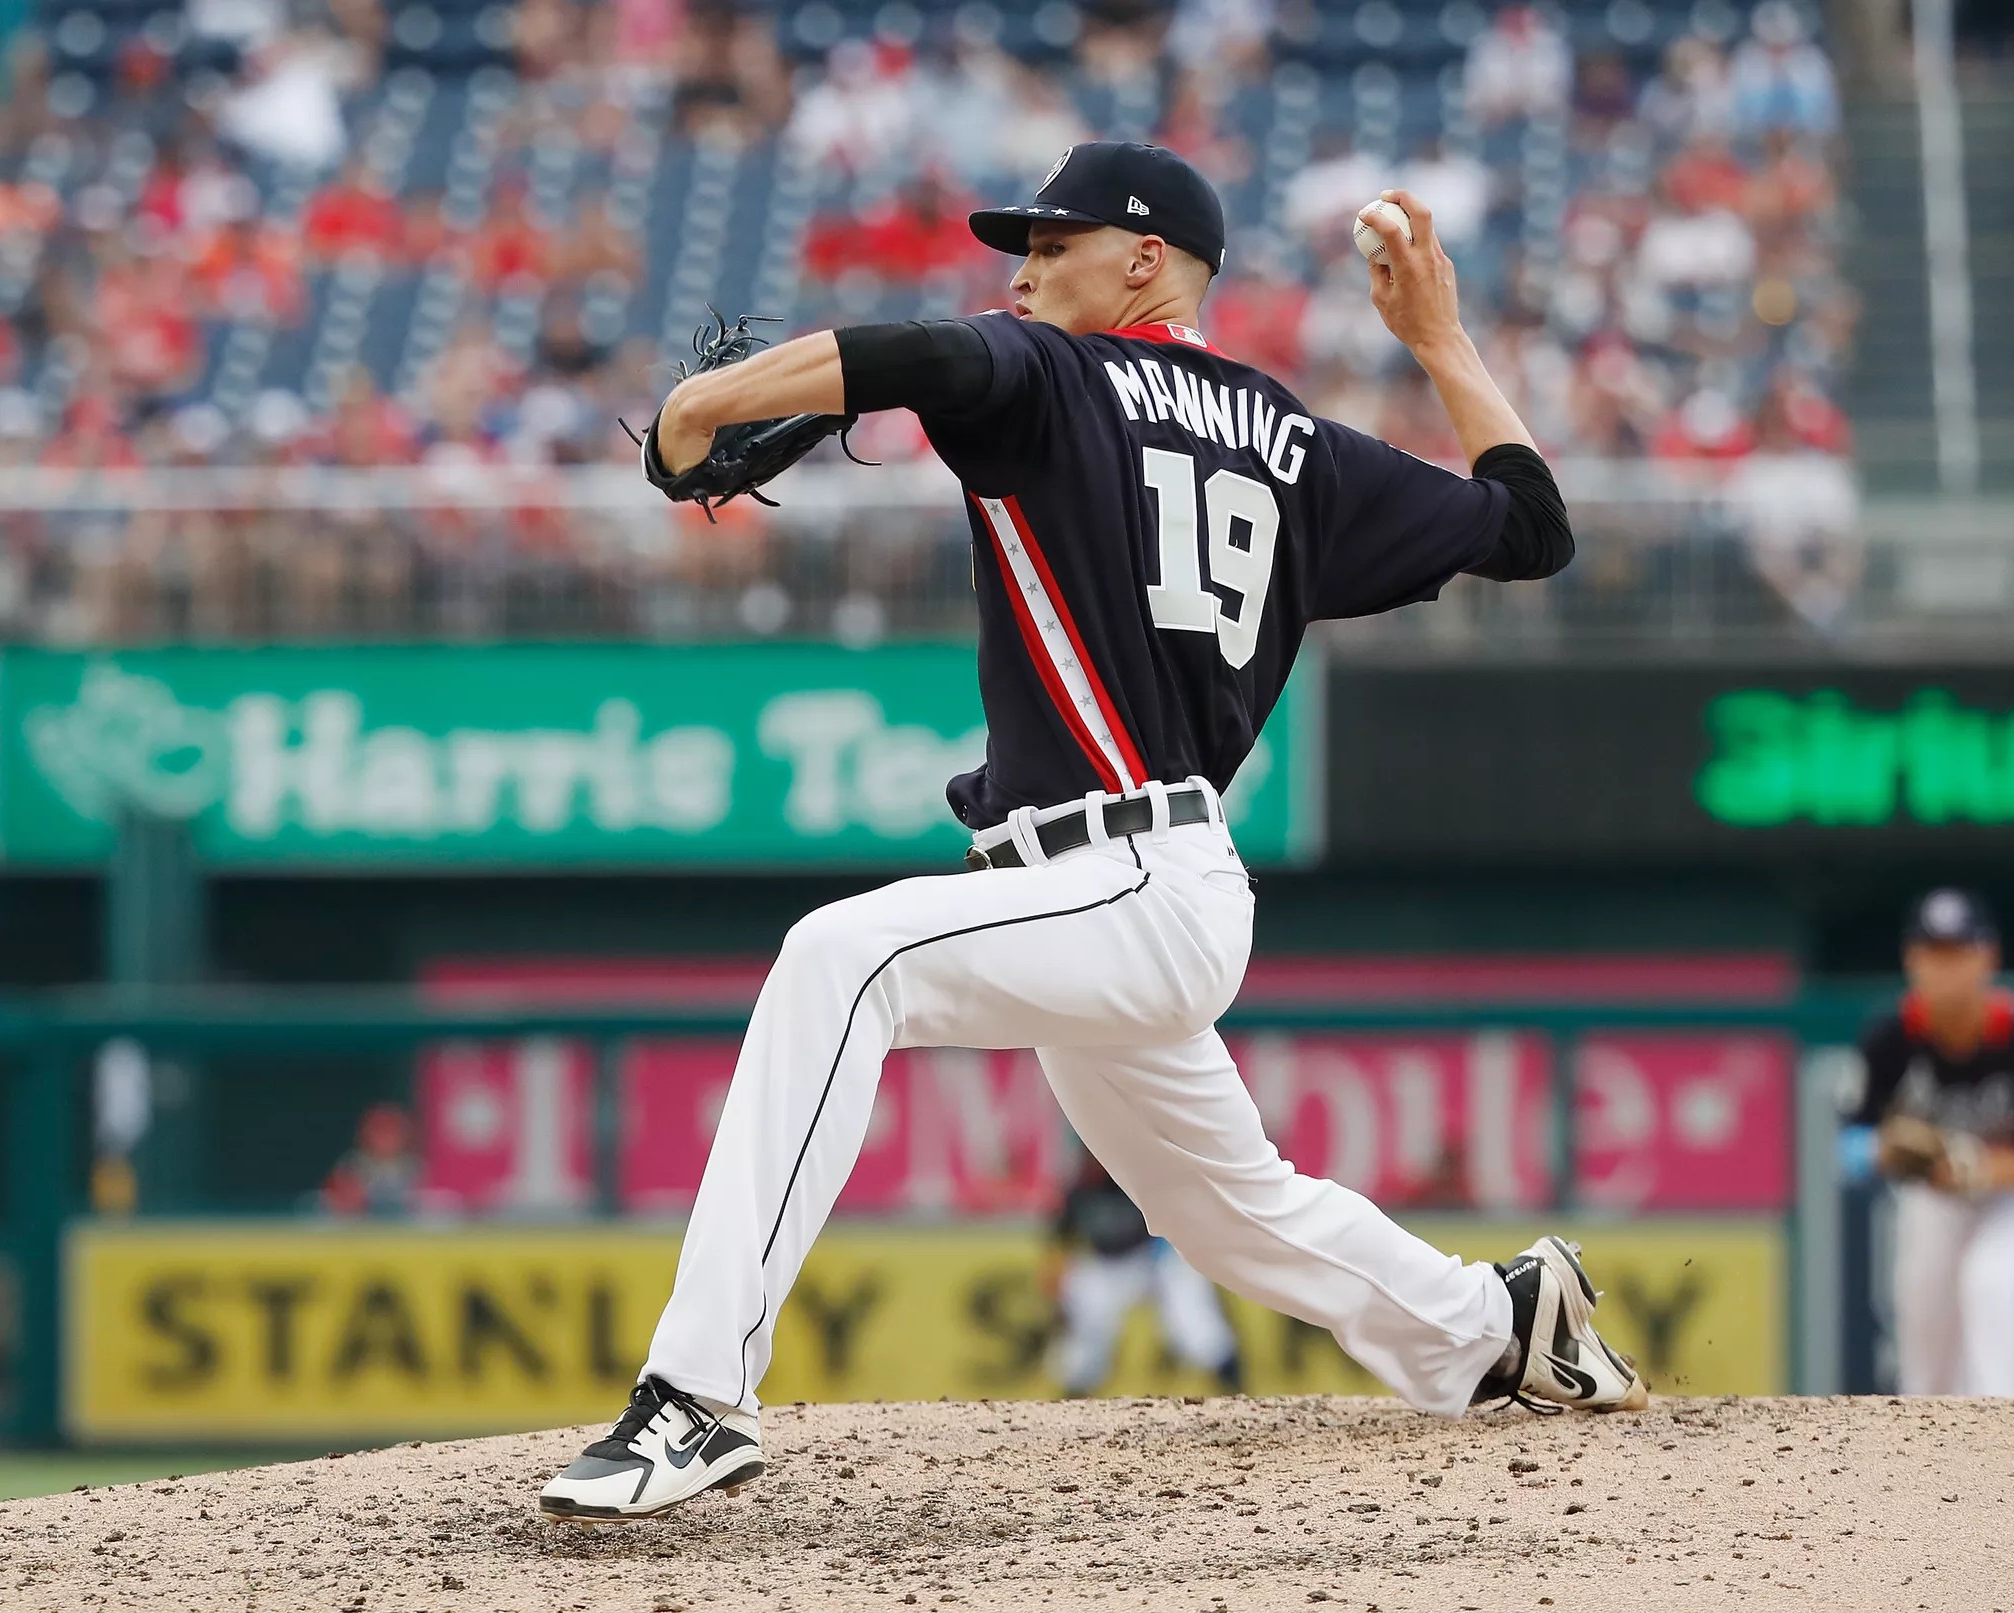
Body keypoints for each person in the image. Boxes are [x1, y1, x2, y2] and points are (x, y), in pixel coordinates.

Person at [539, 141, 1643, 1524]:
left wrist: (708, 397)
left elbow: (920, 359)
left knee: (841, 959)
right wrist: (1442, 338)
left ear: (1143, 261)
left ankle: (696, 1399)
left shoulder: (1054, 373)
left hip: (1122, 879)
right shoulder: (1295, 442)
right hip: (1142, 891)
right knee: (1229, 1207)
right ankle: (1498, 1321)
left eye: (1053, 244)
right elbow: (1531, 528)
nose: (1024, 268)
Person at [1843, 890, 2014, 1396]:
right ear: (1911, 959)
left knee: (1991, 1279)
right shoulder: (1889, 1040)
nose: (1945, 968)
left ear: (1988, 957)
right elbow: (1849, 1144)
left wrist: (1990, 1168)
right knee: (1924, 1302)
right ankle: (1928, 1440)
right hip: (1939, 1194)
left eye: (1958, 952)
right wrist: (1887, 1152)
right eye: (1933, 953)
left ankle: (2010, 1429)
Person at [1048, 1149, 1242, 1396]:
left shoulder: (1138, 1177)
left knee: (1192, 1318)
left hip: (1152, 1257)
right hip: (1107, 1266)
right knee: (1087, 1301)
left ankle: (1236, 1390)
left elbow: (1179, 1217)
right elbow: (1060, 1243)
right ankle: (1072, 1398)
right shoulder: (1081, 1191)